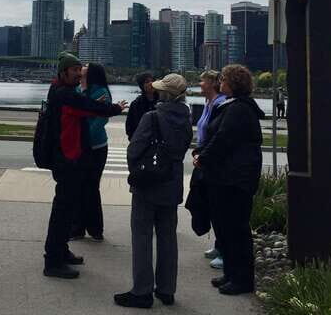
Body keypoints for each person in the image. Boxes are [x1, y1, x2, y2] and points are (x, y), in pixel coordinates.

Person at [43, 52, 127, 279]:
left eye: (80, 69)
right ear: (63, 72)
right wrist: (115, 108)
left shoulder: (60, 90)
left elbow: (86, 107)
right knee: (62, 211)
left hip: (68, 157)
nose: (79, 73)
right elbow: (90, 108)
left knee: (67, 208)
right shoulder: (66, 95)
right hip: (67, 159)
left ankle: (61, 251)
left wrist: (98, 105)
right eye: (75, 70)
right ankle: (53, 261)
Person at [115, 74, 193, 309]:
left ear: (164, 94)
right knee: (168, 237)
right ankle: (167, 289)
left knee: (142, 237)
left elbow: (134, 150)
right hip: (172, 182)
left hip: (148, 184)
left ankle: (142, 291)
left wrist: (137, 171)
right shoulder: (186, 118)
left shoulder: (152, 117)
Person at [193, 64, 263, 296]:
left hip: (235, 180)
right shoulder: (235, 106)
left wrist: (203, 158)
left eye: (223, 79)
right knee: (225, 228)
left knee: (236, 229)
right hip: (227, 177)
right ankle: (232, 273)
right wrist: (202, 153)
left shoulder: (239, 109)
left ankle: (242, 279)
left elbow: (224, 138)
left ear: (233, 83)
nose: (220, 83)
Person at [70, 62, 111, 242]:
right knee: (78, 186)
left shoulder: (101, 92)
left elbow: (101, 119)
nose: (82, 66)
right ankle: (77, 228)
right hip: (80, 146)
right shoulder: (78, 89)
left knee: (91, 187)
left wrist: (84, 138)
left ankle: (95, 229)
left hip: (96, 147)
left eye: (86, 65)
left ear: (92, 72)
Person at [196, 70, 227, 270]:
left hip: (213, 162)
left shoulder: (220, 104)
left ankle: (225, 251)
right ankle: (219, 245)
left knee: (221, 209)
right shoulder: (209, 103)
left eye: (202, 80)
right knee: (213, 206)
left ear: (212, 83)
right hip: (204, 159)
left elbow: (217, 135)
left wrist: (204, 154)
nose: (199, 83)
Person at [126, 72, 157, 140]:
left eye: (152, 81)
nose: (151, 83)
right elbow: (130, 126)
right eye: (147, 82)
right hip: (141, 141)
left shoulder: (163, 102)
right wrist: (134, 140)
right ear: (141, 85)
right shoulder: (136, 104)